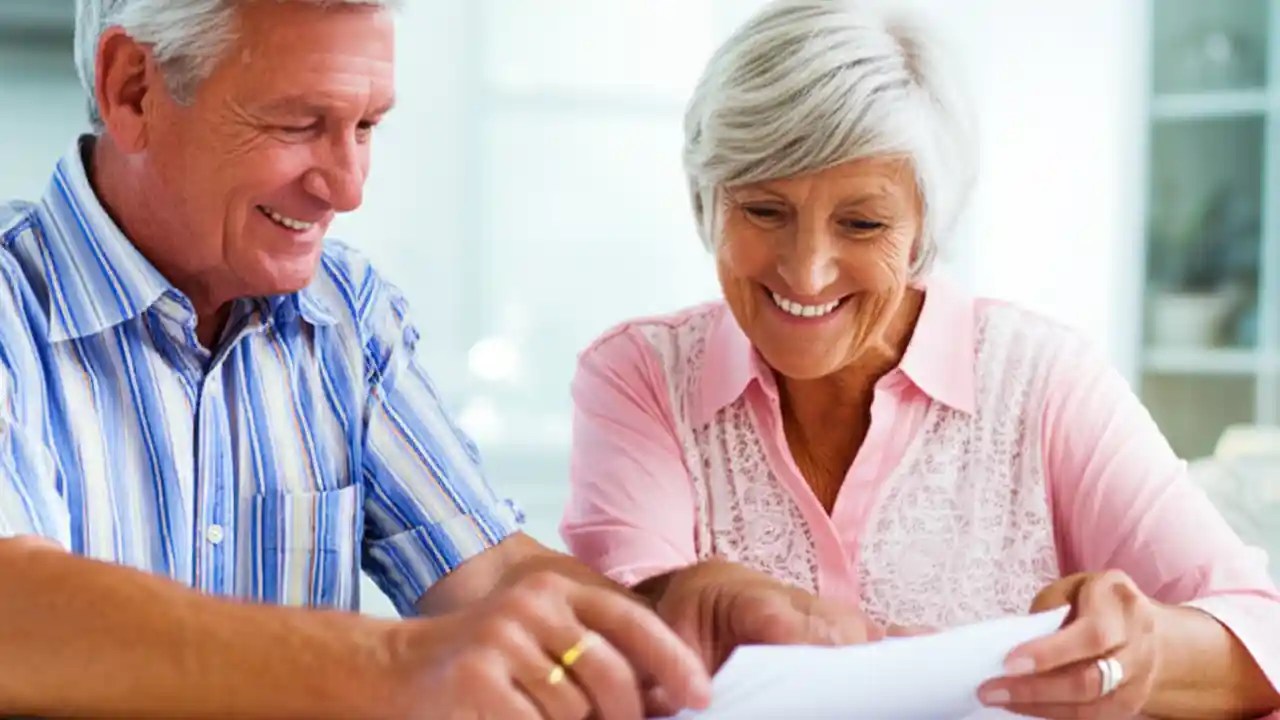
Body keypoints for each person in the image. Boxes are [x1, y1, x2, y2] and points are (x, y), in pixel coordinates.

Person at [0, 1, 876, 718]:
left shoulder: (343, 316)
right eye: (299, 123)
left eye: (367, 127)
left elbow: (487, 573)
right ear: (134, 89)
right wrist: (393, 663)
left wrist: (668, 623)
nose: (347, 187)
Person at [559, 1, 1280, 718]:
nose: (807, 271)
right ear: (706, 202)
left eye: (862, 222)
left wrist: (1141, 649)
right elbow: (612, 654)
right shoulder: (641, 376)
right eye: (763, 211)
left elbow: (1262, 638)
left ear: (924, 229)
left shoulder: (1041, 379)